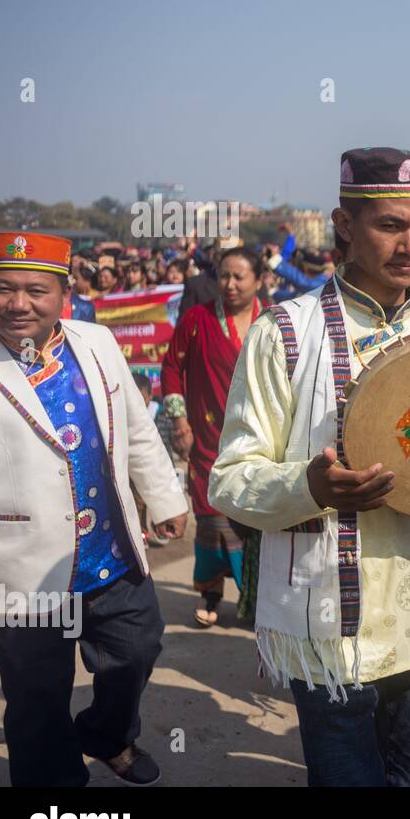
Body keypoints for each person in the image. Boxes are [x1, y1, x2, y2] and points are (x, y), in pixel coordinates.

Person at [208, 147, 410, 787]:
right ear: (345, 225)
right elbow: (229, 479)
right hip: (328, 630)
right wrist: (310, 486)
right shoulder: (286, 332)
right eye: (389, 226)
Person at [0, 231, 188, 787]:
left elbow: (138, 430)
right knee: (37, 699)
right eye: (3, 288)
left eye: (35, 290)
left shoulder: (96, 342)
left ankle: (106, 734)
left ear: (63, 294)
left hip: (110, 553)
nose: (18, 303)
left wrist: (165, 496)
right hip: (16, 577)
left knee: (137, 650)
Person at [161, 247, 264, 627]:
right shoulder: (196, 319)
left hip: (258, 440)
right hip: (207, 438)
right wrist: (179, 422)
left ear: (258, 280)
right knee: (212, 519)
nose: (230, 284)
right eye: (224, 276)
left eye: (239, 277)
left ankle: (254, 599)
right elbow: (171, 367)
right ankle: (211, 593)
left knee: (255, 522)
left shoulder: (271, 321)